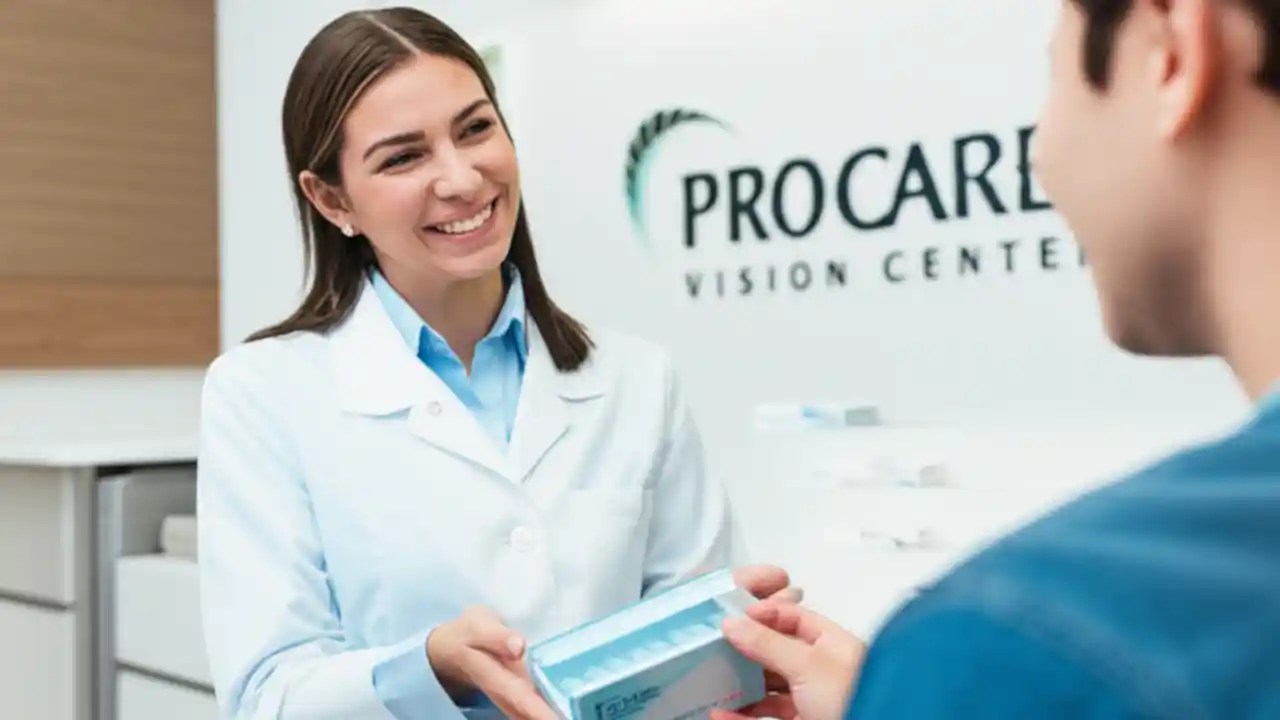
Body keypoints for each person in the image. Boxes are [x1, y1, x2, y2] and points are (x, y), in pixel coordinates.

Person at [196, 8, 794, 720]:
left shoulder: (638, 380)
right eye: (403, 157)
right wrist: (427, 670)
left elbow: (702, 657)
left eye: (476, 128)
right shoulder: (262, 393)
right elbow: (268, 698)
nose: (460, 178)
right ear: (332, 199)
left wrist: (740, 650)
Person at [712, 0, 1280, 717]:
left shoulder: (1018, 642)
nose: (1039, 154)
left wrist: (943, 688)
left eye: (1054, 74)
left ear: (1170, 51)